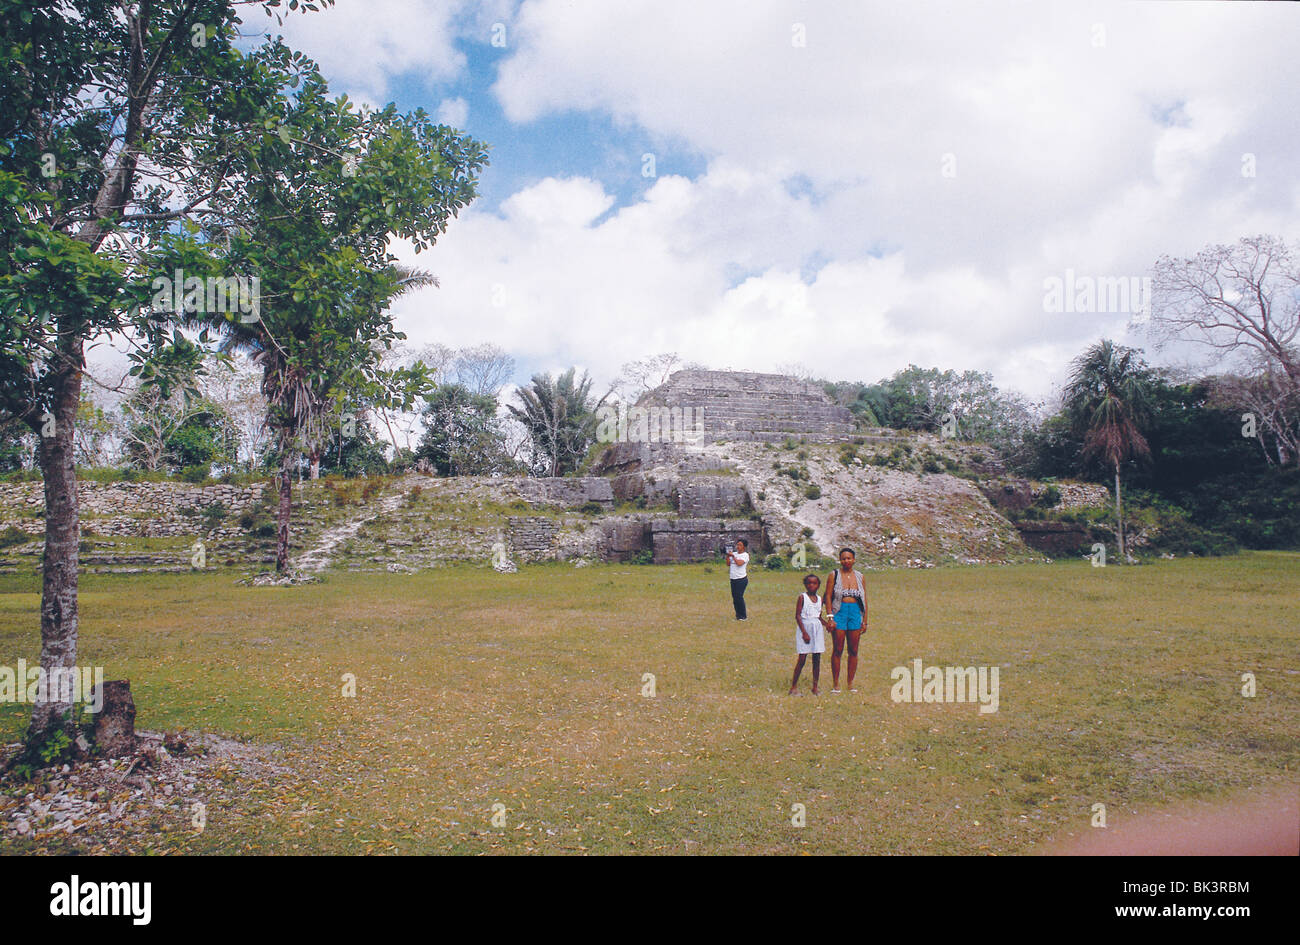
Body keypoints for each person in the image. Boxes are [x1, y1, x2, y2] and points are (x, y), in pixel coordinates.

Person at [823, 547, 867, 693]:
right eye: (843, 558)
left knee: (854, 650)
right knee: (838, 649)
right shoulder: (834, 575)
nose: (846, 561)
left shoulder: (860, 576)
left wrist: (865, 620)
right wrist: (830, 617)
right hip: (839, 612)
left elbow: (864, 598)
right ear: (840, 560)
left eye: (849, 558)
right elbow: (828, 596)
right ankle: (836, 684)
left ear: (854, 560)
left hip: (855, 612)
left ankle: (850, 684)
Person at [790, 573, 826, 694]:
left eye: (814, 583)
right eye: (809, 583)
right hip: (805, 628)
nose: (811, 585)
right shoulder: (802, 597)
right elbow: (798, 616)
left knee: (817, 658)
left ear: (818, 585)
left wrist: (828, 625)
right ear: (805, 585)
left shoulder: (820, 599)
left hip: (817, 629)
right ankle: (793, 687)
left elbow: (818, 616)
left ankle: (815, 687)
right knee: (802, 658)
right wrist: (804, 632)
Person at [724, 538, 750, 620]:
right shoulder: (734, 554)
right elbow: (728, 564)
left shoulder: (745, 555)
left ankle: (743, 616)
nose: (738, 546)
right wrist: (728, 556)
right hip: (733, 579)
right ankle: (738, 616)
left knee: (739, 597)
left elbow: (739, 563)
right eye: (737, 545)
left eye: (740, 545)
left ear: (744, 547)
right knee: (735, 598)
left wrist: (733, 557)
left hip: (741, 579)